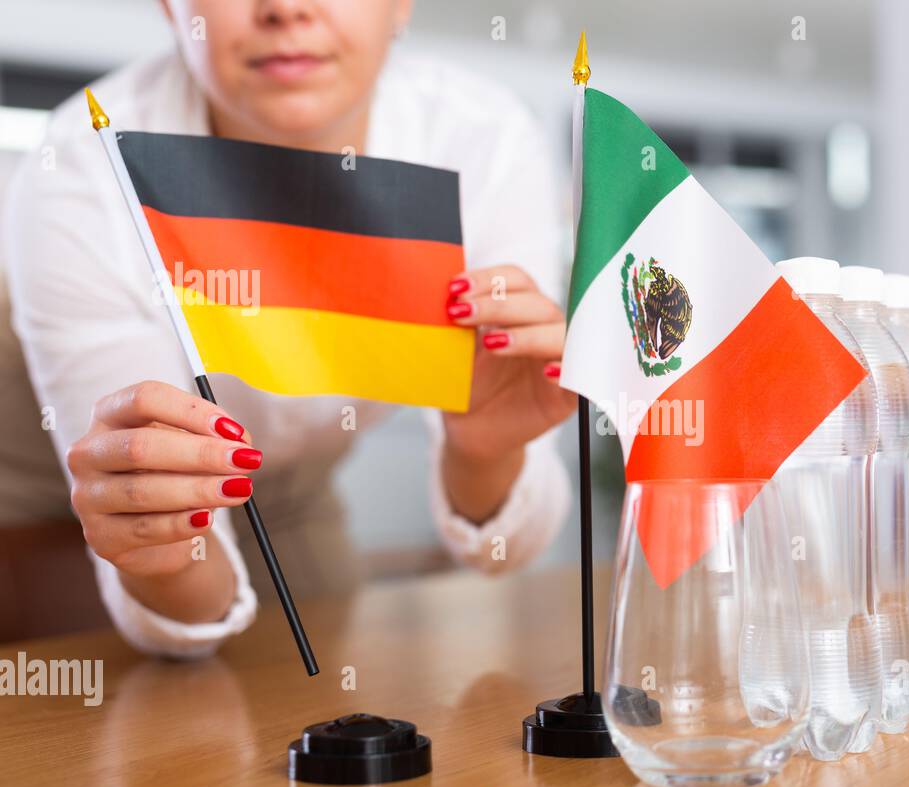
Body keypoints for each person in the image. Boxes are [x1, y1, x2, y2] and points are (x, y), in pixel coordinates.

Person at [1, 0, 574, 657]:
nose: (287, 8)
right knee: (104, 723)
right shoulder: (84, 165)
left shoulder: (482, 138)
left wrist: (482, 450)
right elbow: (166, 569)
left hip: (291, 483)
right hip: (51, 494)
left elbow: (504, 551)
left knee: (326, 688)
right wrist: (153, 544)